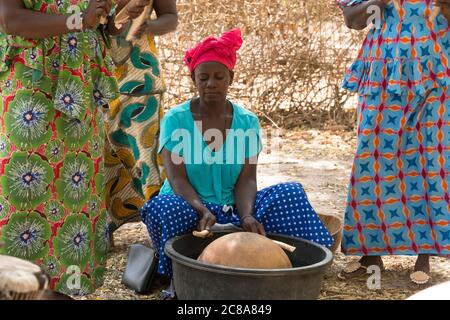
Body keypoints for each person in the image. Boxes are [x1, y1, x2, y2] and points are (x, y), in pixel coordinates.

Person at [140, 28, 334, 280]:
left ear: (230, 77)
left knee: (290, 193)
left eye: (219, 76)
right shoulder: (176, 120)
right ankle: (177, 276)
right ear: (194, 80)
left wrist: (246, 215)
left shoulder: (246, 122)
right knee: (164, 208)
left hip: (232, 210)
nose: (211, 83)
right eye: (204, 77)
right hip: (189, 208)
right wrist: (201, 210)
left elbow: (247, 179)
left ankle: (303, 266)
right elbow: (177, 180)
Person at [0, 0, 119, 295]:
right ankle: (14, 288)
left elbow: (104, 20)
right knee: (20, 192)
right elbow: (10, 19)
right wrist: (77, 20)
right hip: (32, 85)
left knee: (75, 199)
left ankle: (65, 289)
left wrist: (110, 18)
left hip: (80, 89)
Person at [337, 0, 450, 284]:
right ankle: (370, 253)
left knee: (430, 156)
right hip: (382, 74)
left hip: (437, 73)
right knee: (373, 157)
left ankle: (425, 253)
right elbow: (352, 19)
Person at [104, 0, 178, 233]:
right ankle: (102, 228)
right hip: (95, 74)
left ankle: (161, 230)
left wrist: (147, 25)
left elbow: (170, 17)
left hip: (140, 79)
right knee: (101, 155)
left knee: (145, 158)